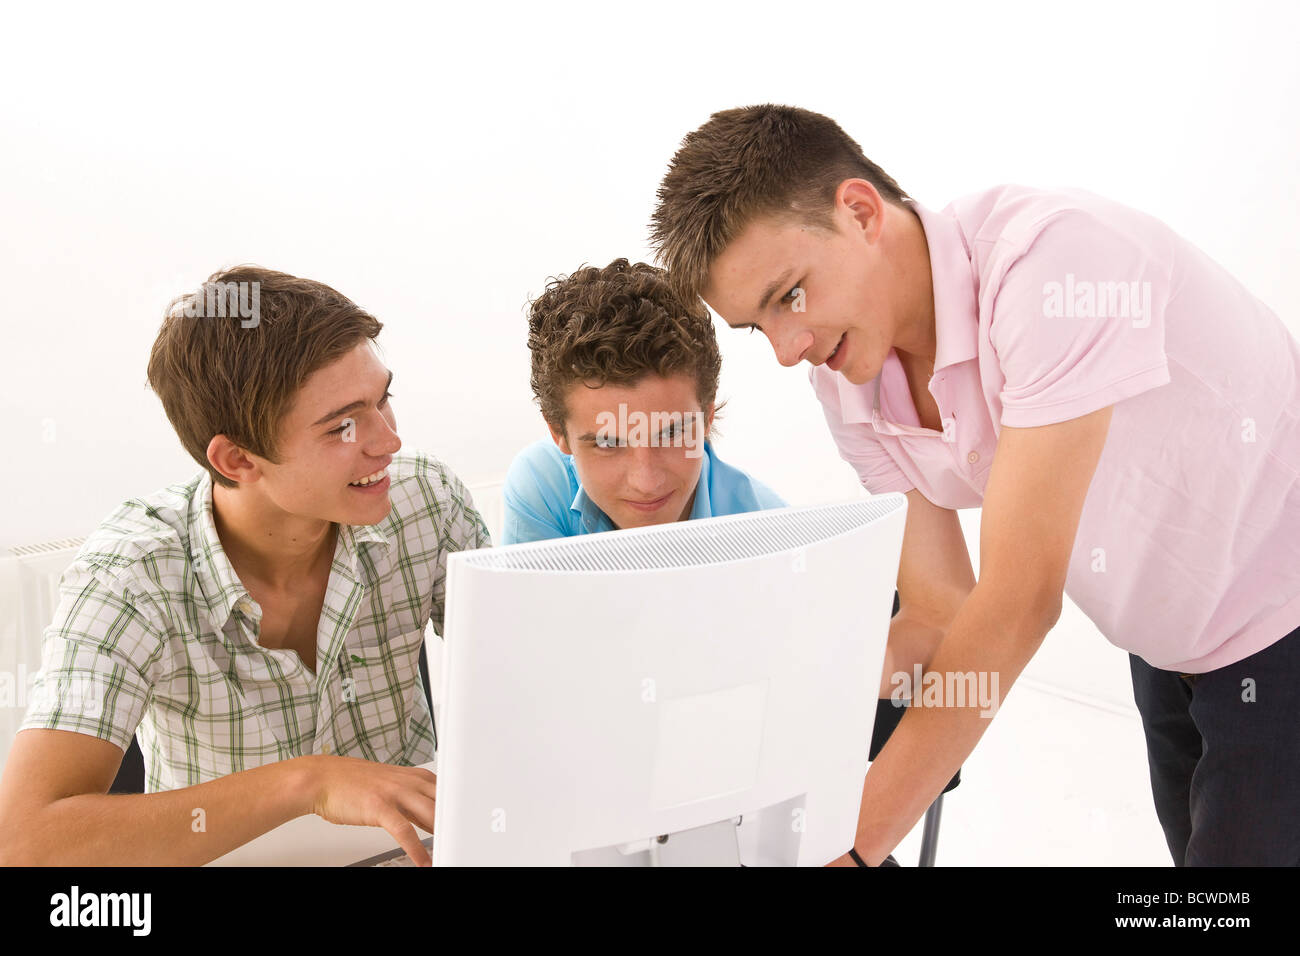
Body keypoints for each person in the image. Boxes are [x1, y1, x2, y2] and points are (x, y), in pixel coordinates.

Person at [649, 104, 1300, 867]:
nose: (789, 349)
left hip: (1278, 620)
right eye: (759, 328)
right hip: (1167, 646)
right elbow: (939, 607)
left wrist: (849, 846)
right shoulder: (848, 379)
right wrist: (786, 729)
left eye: (789, 294)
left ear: (859, 212)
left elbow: (1018, 600)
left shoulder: (1055, 267)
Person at [0, 266, 488, 866]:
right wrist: (310, 784)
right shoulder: (132, 574)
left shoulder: (426, 500)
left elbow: (532, 684)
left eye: (383, 398)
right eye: (342, 425)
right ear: (236, 458)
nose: (388, 440)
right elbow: (27, 841)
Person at [501, 257, 956, 865]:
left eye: (671, 434)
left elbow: (793, 742)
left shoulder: (772, 535)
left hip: (737, 796)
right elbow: (541, 685)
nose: (643, 479)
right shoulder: (540, 486)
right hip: (604, 794)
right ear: (559, 434)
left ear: (710, 418)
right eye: (607, 443)